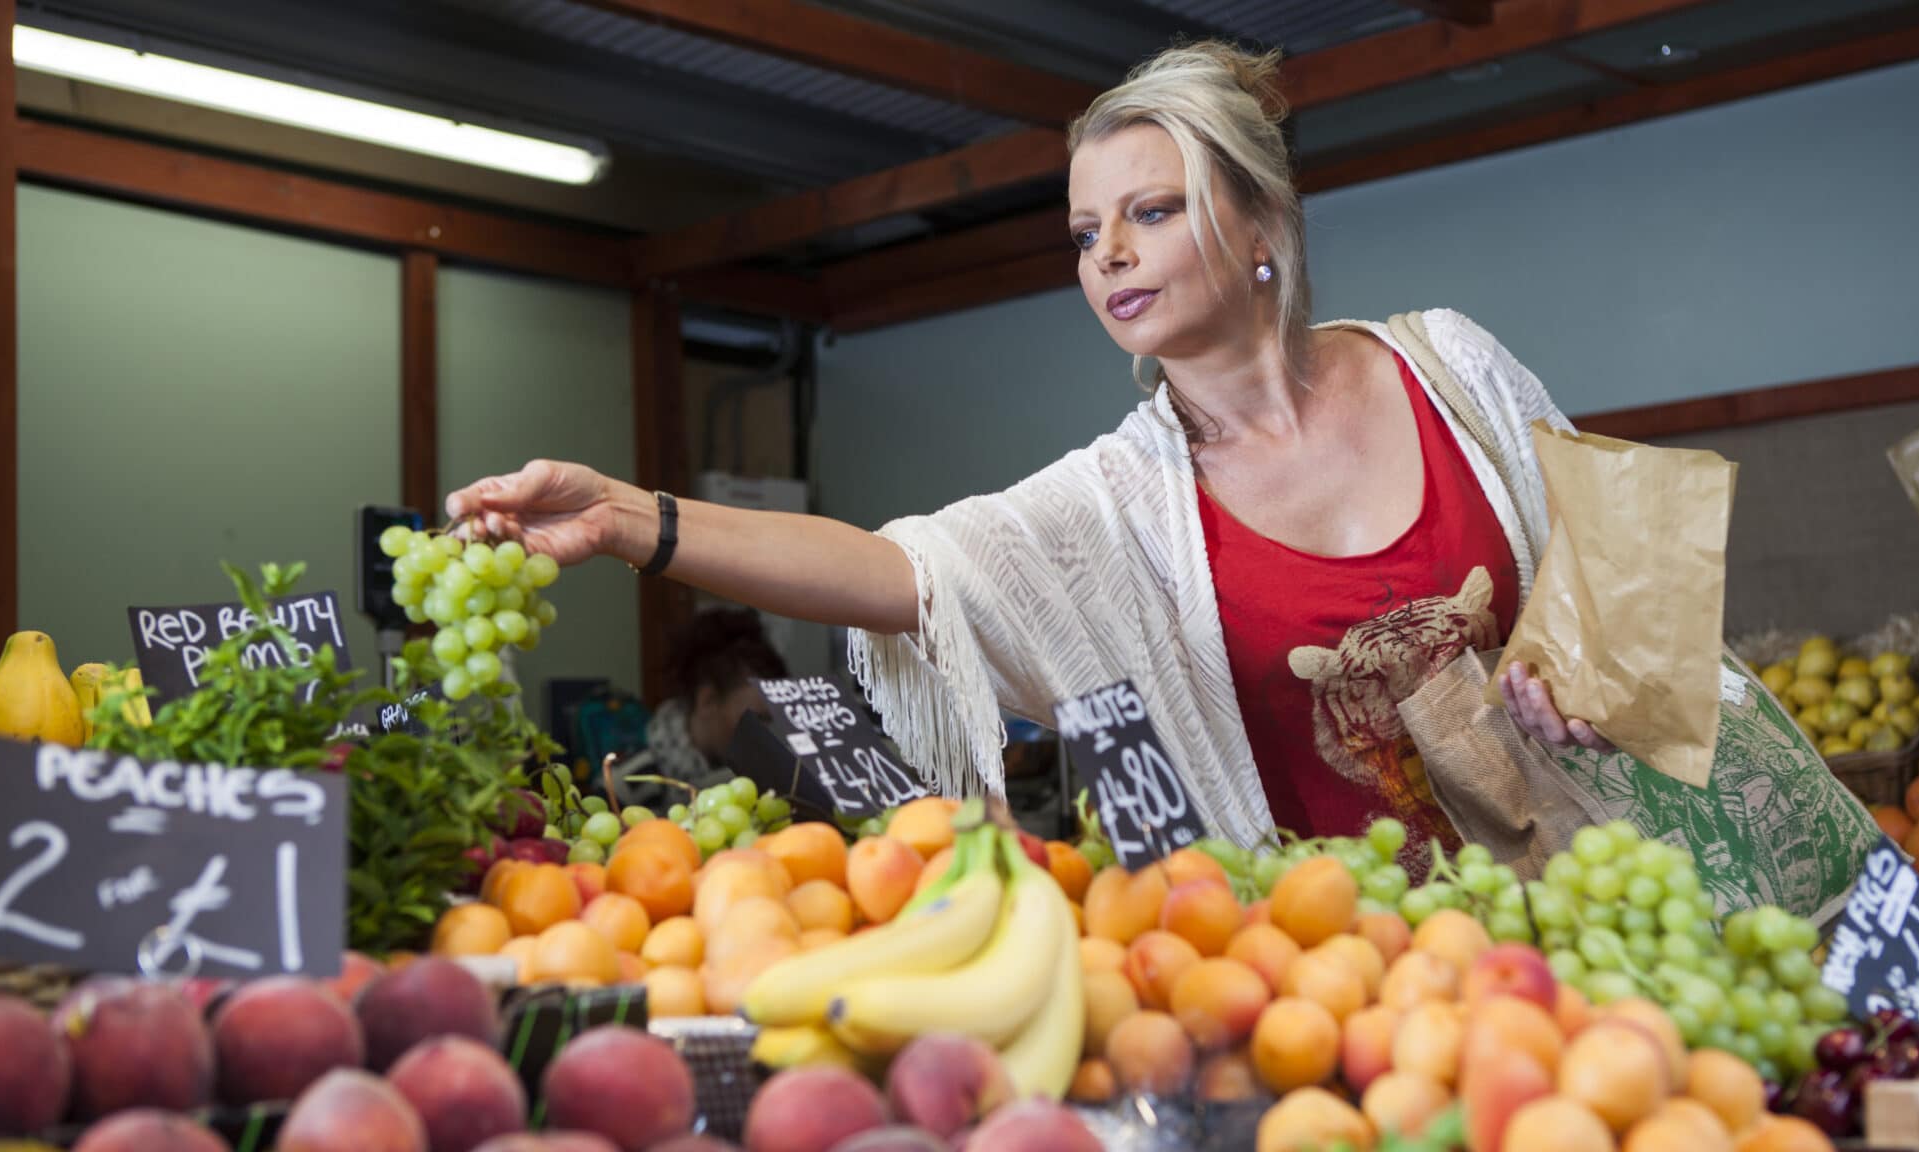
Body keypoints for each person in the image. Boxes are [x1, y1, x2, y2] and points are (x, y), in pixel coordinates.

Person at [445, 41, 1611, 857]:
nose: (1107, 253)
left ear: (1260, 227)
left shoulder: (1450, 371)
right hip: (1342, 988)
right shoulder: (1118, 504)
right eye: (1083, 232)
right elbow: (895, 574)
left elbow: (1611, 578)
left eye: (1149, 212)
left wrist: (1575, 664)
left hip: (1602, 910)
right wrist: (620, 513)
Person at [622, 606, 787, 810]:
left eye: (768, 721)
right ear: (707, 700)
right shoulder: (628, 785)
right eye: (756, 720)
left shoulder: (761, 785)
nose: (764, 735)